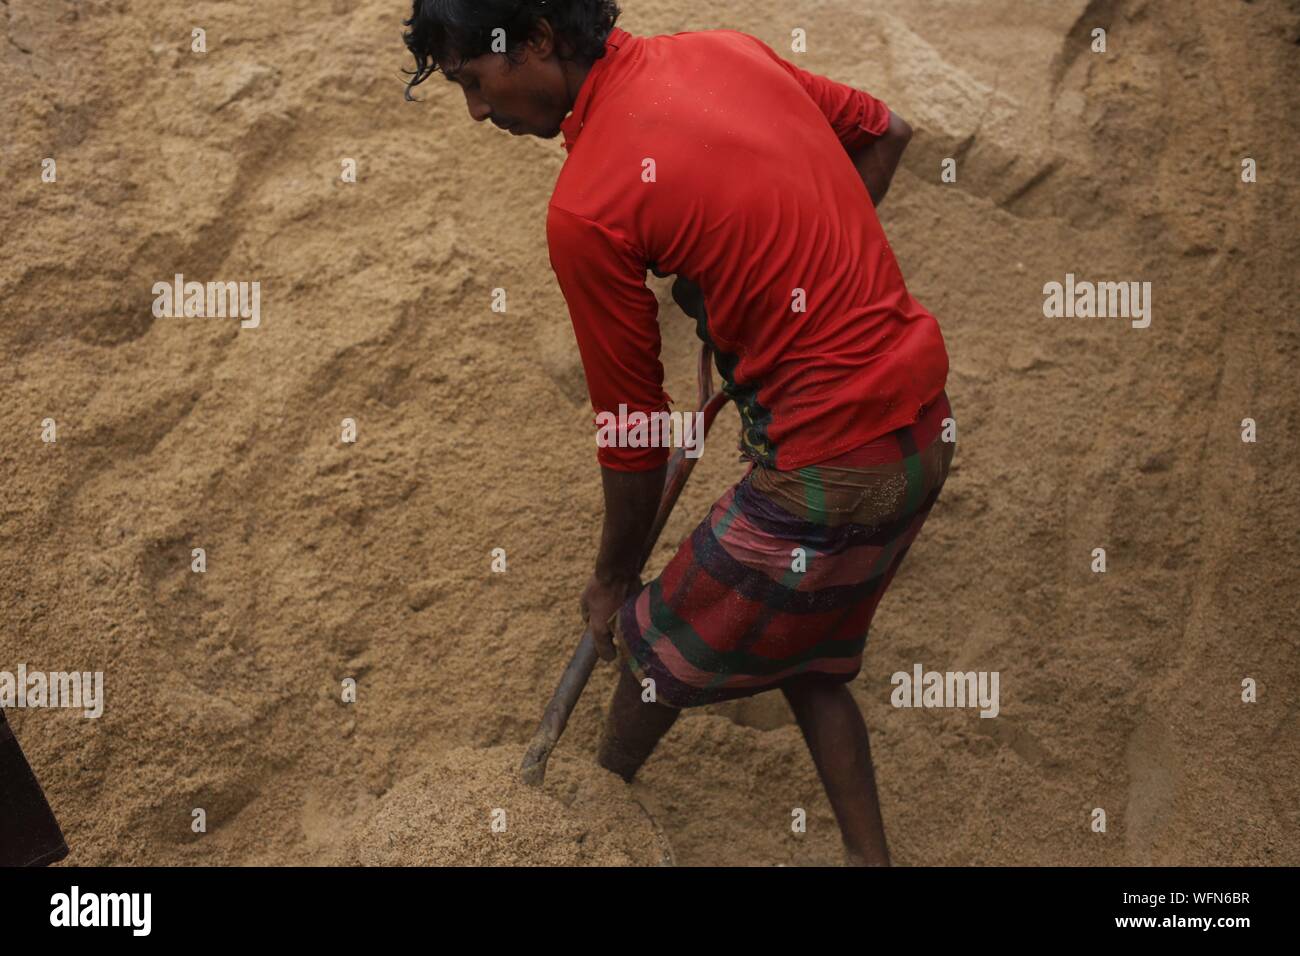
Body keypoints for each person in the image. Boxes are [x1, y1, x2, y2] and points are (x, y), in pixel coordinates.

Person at [403, 0, 954, 866]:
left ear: (540, 39)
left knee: (656, 645)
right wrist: (786, 290)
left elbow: (634, 435)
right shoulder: (725, 52)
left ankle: (586, 814)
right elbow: (886, 132)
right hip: (926, 428)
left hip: (828, 466)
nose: (476, 112)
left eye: (476, 82)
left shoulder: (586, 210)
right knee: (806, 649)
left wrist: (612, 578)